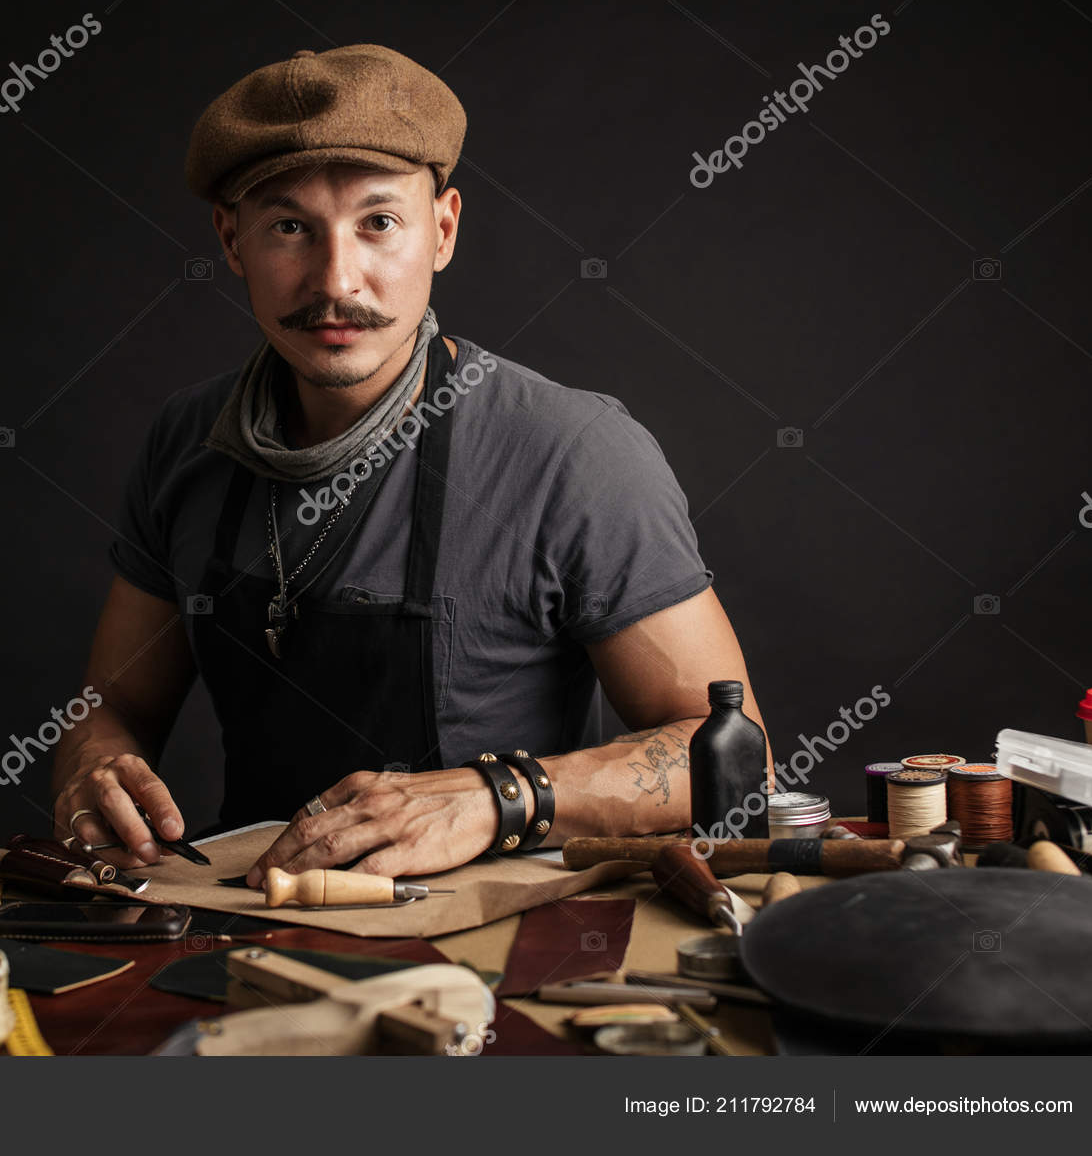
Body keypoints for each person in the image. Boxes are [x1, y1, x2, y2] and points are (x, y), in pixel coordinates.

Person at [51, 43, 771, 887]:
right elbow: (115, 707)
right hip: (244, 924)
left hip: (490, 954)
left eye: (378, 222)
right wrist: (91, 765)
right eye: (290, 226)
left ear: (443, 229)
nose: (336, 279)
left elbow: (729, 750)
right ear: (231, 239)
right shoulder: (185, 440)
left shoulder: (573, 454)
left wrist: (495, 794)